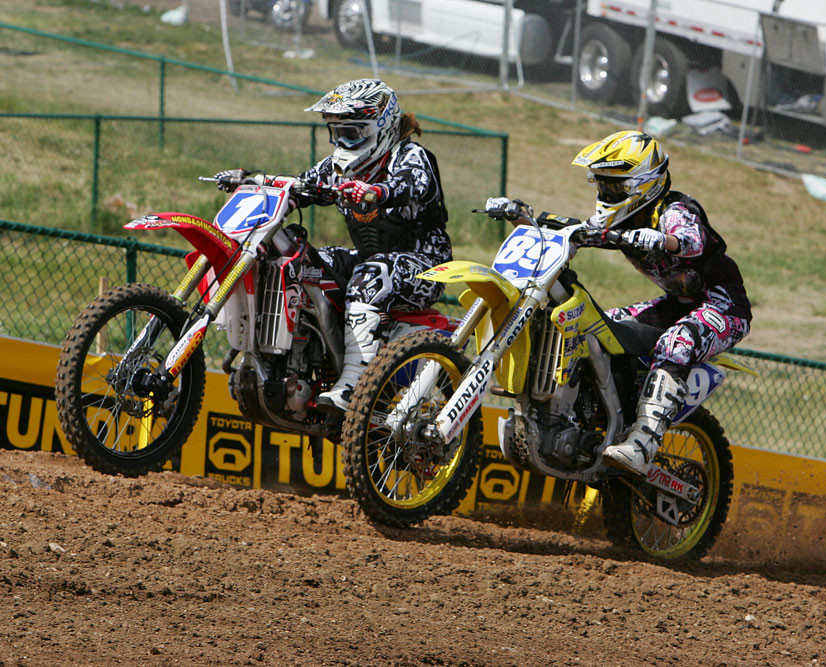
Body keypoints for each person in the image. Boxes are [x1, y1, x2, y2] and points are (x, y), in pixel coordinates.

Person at [489, 129, 751, 477]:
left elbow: (693, 240)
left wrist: (663, 239)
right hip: (676, 304)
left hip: (723, 305)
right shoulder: (619, 217)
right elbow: (571, 233)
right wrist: (520, 218)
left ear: (644, 185)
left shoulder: (673, 210)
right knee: (598, 327)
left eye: (614, 187)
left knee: (677, 343)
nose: (606, 194)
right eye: (602, 186)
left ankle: (642, 445)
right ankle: (592, 416)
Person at [217, 78, 451, 413]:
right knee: (303, 264)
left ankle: (355, 383)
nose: (342, 142)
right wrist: (257, 181)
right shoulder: (338, 166)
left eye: (351, 134)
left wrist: (377, 192)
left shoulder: (410, 155)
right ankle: (286, 362)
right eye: (337, 133)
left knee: (371, 274)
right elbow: (301, 185)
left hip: (426, 266)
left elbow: (413, 184)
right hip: (369, 258)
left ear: (380, 127)